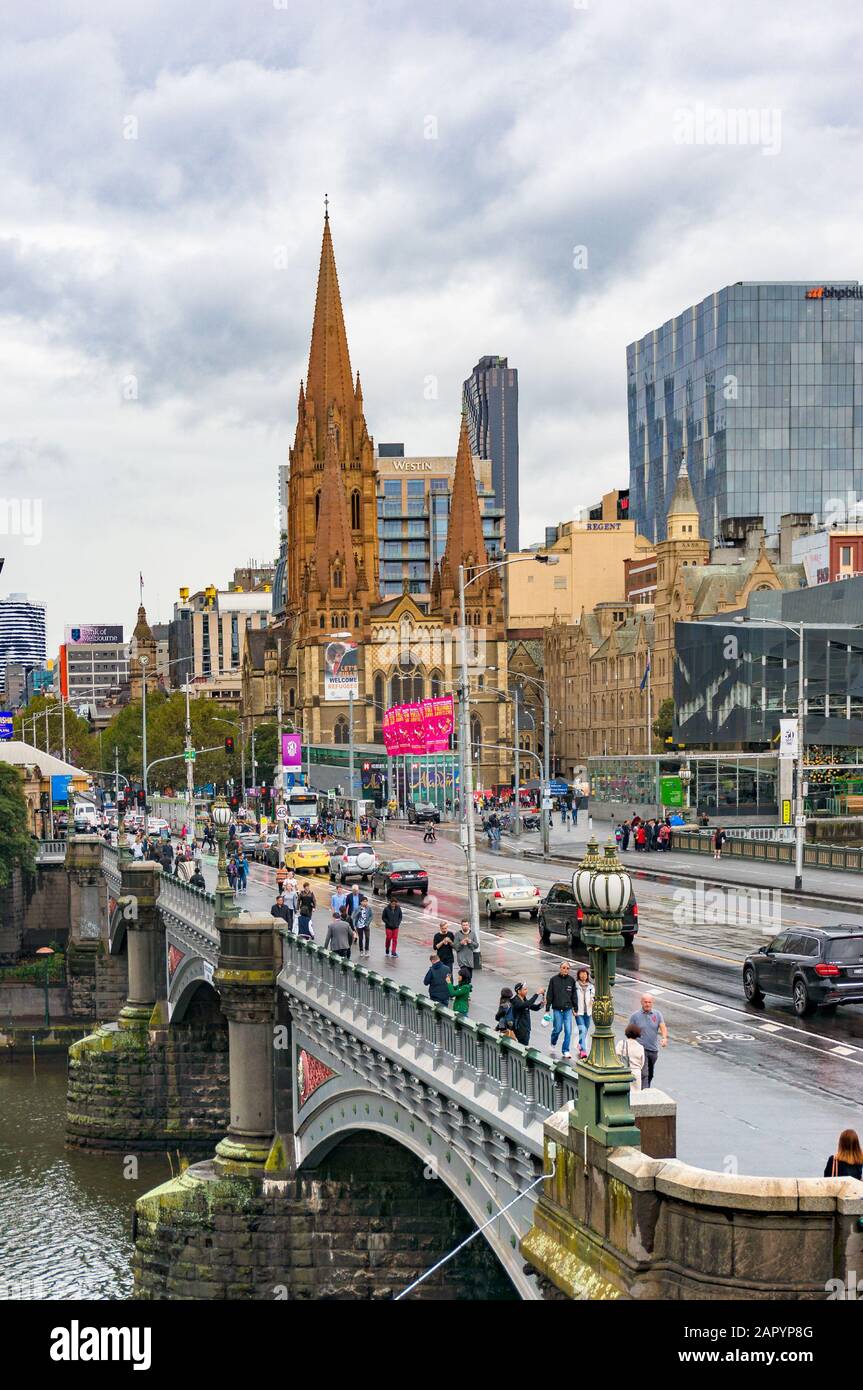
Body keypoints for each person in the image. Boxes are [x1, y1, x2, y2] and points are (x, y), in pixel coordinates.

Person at [628, 993, 668, 1089]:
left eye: (649, 1002)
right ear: (641, 1002)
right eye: (645, 1002)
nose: (647, 1004)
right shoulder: (635, 1016)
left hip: (653, 1049)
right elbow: (629, 1031)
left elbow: (663, 1027)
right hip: (641, 1048)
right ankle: (644, 1093)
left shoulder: (657, 1014)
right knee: (644, 1073)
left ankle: (646, 1089)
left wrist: (664, 1038)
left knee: (650, 1074)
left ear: (652, 1003)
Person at [545, 960, 578, 1060]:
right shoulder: (553, 980)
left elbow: (574, 995)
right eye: (563, 968)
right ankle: (553, 1042)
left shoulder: (571, 981)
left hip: (567, 1009)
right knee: (558, 1029)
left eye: (567, 968)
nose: (565, 970)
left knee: (568, 1031)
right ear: (560, 968)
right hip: (557, 1009)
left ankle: (565, 1050)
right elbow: (549, 995)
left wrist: (575, 1008)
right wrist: (547, 1009)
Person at [509, 981, 545, 1046]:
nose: (527, 991)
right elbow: (526, 1004)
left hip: (526, 1028)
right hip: (520, 1029)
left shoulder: (524, 999)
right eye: (524, 989)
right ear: (519, 991)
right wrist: (537, 993)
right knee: (523, 1046)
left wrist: (541, 1004)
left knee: (524, 1045)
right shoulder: (516, 1001)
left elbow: (534, 1007)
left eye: (526, 989)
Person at [616, 1023, 645, 1092]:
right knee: (636, 1095)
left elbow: (615, 1056)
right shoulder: (640, 1047)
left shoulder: (621, 1043)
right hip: (636, 1073)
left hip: (623, 1071)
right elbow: (642, 1063)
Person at [574, 967, 595, 1058]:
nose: (583, 976)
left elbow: (594, 996)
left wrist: (593, 1000)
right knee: (582, 1029)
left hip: (588, 1012)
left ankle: (580, 1044)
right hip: (579, 1012)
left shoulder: (591, 986)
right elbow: (572, 998)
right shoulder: (575, 985)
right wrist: (572, 1009)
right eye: (581, 974)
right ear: (578, 975)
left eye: (585, 974)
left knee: (585, 1030)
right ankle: (583, 1050)